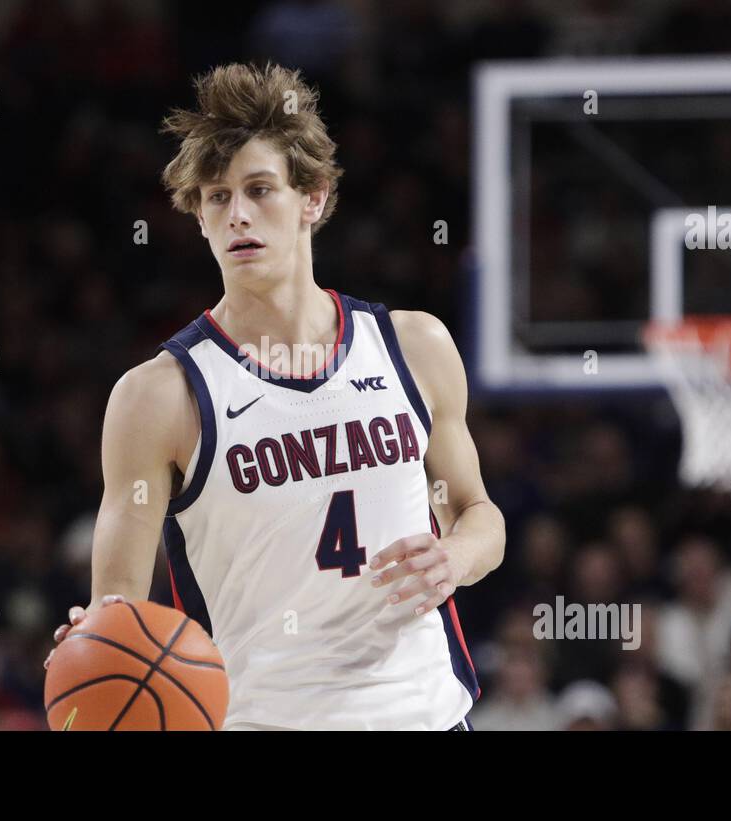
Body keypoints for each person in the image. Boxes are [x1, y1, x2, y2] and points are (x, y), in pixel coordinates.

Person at [46, 62, 505, 730]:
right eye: (215, 197)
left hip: (424, 714)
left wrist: (455, 557)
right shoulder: (158, 397)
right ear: (199, 216)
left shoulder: (414, 346)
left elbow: (479, 513)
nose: (237, 215)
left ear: (312, 197)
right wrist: (96, 647)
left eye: (260, 189)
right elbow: (116, 607)